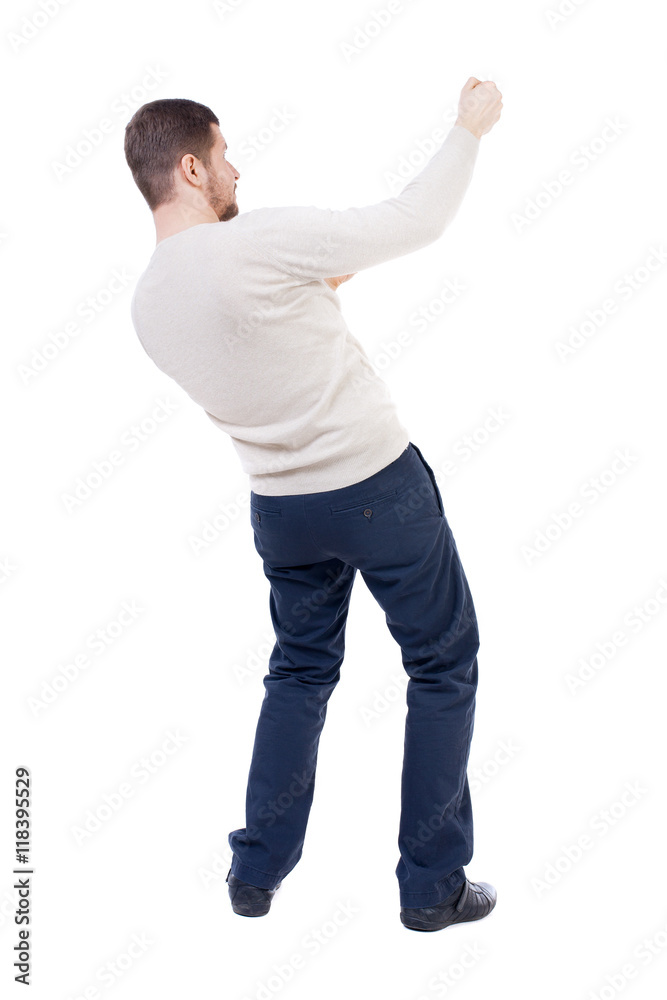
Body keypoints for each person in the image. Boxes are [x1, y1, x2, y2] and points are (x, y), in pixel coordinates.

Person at [124, 75, 503, 932]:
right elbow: (417, 220)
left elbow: (256, 345)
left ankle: (255, 872)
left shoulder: (149, 305)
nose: (234, 169)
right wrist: (467, 128)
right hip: (378, 490)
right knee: (442, 668)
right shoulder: (254, 241)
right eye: (223, 155)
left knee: (298, 673)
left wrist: (312, 286)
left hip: (283, 514)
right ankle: (430, 888)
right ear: (189, 167)